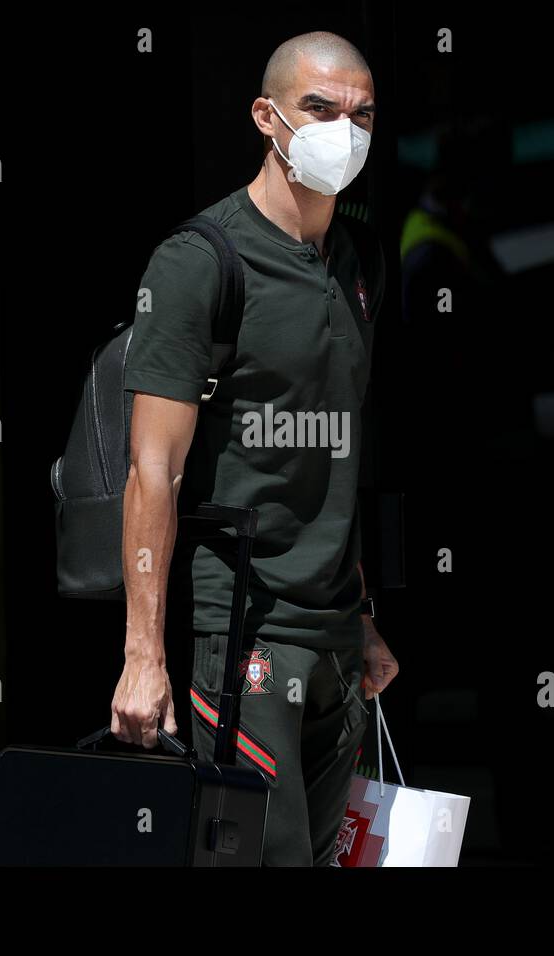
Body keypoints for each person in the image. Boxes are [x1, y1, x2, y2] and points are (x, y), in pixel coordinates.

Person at [110, 31, 400, 866]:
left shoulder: (361, 261)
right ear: (266, 117)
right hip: (240, 638)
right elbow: (151, 471)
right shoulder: (203, 262)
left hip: (336, 643)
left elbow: (333, 458)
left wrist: (361, 616)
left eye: (363, 112)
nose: (345, 127)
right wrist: (142, 658)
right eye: (321, 108)